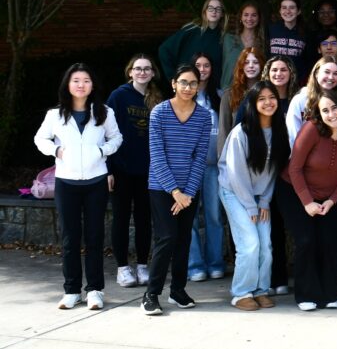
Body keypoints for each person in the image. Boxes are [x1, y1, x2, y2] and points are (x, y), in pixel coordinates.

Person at [35, 64, 123, 310]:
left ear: (92, 85)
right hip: (66, 182)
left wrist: (101, 151)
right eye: (76, 80)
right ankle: (71, 290)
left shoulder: (105, 112)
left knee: (94, 237)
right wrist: (56, 150)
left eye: (86, 80)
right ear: (68, 84)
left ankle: (95, 290)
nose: (81, 84)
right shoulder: (55, 115)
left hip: (96, 181)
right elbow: (40, 138)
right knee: (70, 238)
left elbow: (117, 138)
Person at [142, 64, 212, 316]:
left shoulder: (204, 117)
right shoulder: (159, 113)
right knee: (167, 237)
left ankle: (178, 291)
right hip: (161, 188)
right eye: (183, 82)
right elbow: (157, 157)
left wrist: (188, 193)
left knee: (184, 239)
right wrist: (175, 192)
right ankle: (151, 294)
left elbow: (199, 157)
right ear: (173, 83)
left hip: (189, 190)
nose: (188, 87)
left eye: (193, 83)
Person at [276, 90, 337, 311]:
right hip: (294, 191)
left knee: (328, 242)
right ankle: (306, 294)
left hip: (328, 197)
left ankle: (329, 293)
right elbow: (294, 168)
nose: (331, 114)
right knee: (307, 240)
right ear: (319, 114)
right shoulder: (311, 129)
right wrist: (307, 202)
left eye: (335, 108)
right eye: (325, 110)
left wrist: (333, 200)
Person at [218, 81, 288, 310]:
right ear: (253, 103)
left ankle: (260, 290)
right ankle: (240, 293)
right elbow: (236, 174)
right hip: (235, 193)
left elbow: (273, 171)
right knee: (249, 244)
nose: (268, 102)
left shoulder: (279, 131)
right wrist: (250, 206)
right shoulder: (242, 132)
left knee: (266, 245)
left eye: (272, 97)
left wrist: (265, 200)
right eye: (262, 98)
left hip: (260, 196)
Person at [106, 54, 162, 289]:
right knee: (120, 218)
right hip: (120, 169)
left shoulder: (157, 98)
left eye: (147, 69)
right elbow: (106, 132)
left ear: (152, 73)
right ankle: (122, 268)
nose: (142, 72)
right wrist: (108, 169)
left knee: (143, 219)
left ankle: (141, 265)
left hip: (147, 170)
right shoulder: (118, 96)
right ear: (130, 72)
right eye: (138, 69)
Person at [188, 52, 224, 283]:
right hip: (189, 168)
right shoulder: (184, 98)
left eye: (206, 65)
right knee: (189, 217)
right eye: (198, 65)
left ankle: (216, 262)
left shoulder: (219, 97)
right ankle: (195, 266)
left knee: (214, 216)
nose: (202, 69)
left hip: (213, 166)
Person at [158, 0, 225, 80]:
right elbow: (164, 50)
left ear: (222, 13)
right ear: (205, 11)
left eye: (218, 9)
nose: (214, 11)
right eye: (210, 8)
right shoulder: (191, 30)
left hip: (212, 89)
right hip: (187, 85)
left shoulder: (224, 37)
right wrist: (173, 77)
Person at [219, 47, 263, 155]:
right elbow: (223, 130)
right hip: (236, 153)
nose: (251, 66)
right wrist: (222, 162)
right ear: (241, 66)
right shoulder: (229, 95)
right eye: (246, 62)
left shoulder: (268, 94)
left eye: (255, 62)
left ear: (262, 65)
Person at [287, 57, 337, 144]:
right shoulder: (300, 99)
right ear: (316, 74)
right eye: (326, 72)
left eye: (336, 74)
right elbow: (293, 134)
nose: (331, 77)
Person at [221, 2, 265, 90]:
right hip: (228, 90)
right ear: (241, 17)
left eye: (254, 15)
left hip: (254, 92)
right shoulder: (228, 39)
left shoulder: (263, 43)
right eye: (246, 15)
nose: (249, 18)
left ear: (259, 18)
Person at [268, 0, 309, 79]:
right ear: (280, 11)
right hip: (274, 79)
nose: (288, 11)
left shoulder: (307, 33)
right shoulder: (271, 30)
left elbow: (308, 61)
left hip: (297, 81)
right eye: (284, 8)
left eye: (292, 8)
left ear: (299, 11)